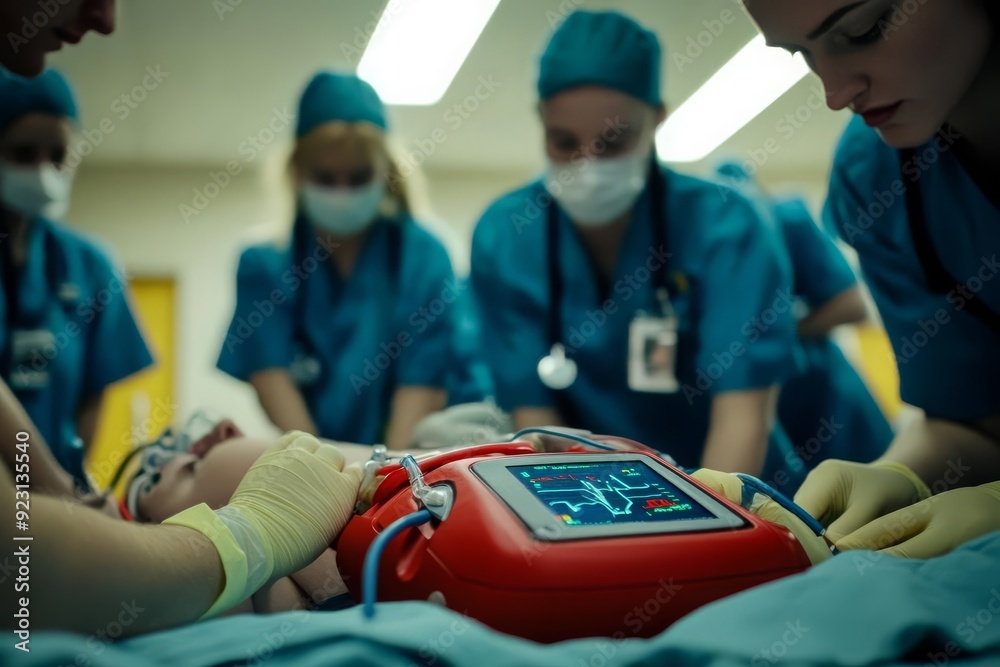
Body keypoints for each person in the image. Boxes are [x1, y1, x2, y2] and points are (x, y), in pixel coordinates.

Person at [0, 1, 366, 637]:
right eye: (171, 464)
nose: (109, 18)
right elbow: (24, 572)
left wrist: (61, 483)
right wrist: (246, 539)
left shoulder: (84, 264)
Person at [471, 10, 803, 484]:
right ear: (541, 121)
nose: (587, 166)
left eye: (612, 142)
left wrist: (707, 534)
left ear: (657, 119)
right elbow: (535, 423)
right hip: (590, 488)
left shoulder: (726, 224)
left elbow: (742, 416)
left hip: (733, 486)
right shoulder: (506, 235)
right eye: (564, 142)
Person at [742, 0, 1000, 557]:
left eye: (864, 29)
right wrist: (902, 476)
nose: (834, 94)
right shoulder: (879, 178)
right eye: (801, 56)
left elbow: (845, 305)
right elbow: (975, 423)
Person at [217, 71, 457, 450]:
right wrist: (323, 471)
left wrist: (386, 478)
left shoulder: (424, 256)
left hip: (412, 453)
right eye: (326, 178)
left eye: (359, 177)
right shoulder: (263, 265)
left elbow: (423, 383)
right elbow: (269, 373)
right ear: (296, 172)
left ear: (387, 174)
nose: (343, 192)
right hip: (317, 457)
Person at [0, 69, 153, 488]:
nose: (42, 170)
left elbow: (93, 392)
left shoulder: (91, 265)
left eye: (58, 155)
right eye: (23, 152)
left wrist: (68, 483)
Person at [716, 161, 893, 466]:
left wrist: (770, 335)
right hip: (767, 404)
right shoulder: (711, 240)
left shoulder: (784, 218)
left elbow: (852, 305)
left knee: (865, 493)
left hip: (822, 396)